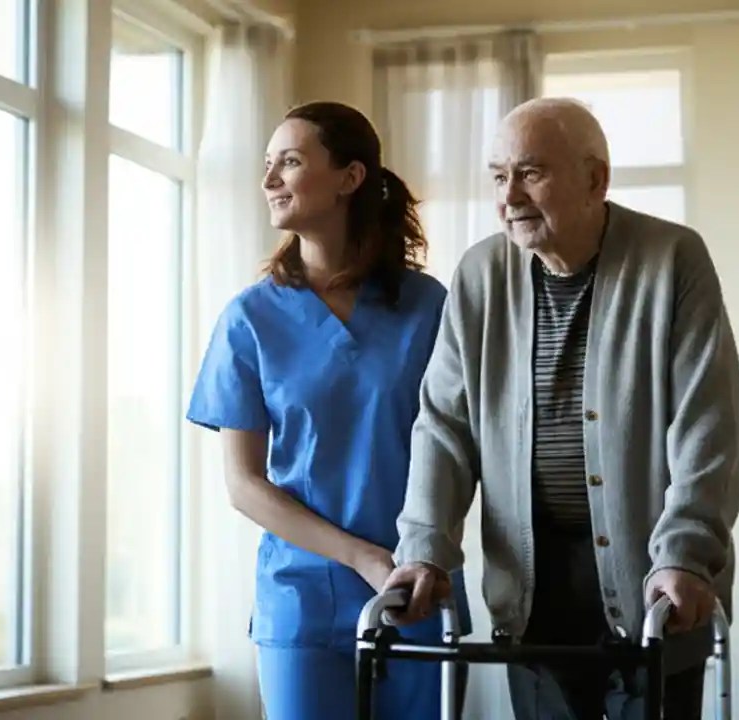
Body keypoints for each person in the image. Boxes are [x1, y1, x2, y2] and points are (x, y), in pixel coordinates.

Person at [383, 97, 739, 720]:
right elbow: (444, 425)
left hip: (651, 571)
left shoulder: (672, 259)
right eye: (499, 177)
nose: (509, 196)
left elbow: (707, 424)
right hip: (533, 584)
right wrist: (423, 545)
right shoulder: (480, 274)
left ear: (595, 179)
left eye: (531, 173)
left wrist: (688, 551)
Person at [185, 101, 471, 720]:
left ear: (350, 177)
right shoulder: (249, 320)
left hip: (417, 588)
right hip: (301, 600)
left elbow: (467, 448)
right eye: (267, 164)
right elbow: (244, 484)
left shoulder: (429, 308)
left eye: (289, 162)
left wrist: (415, 555)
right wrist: (361, 557)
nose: (269, 181)